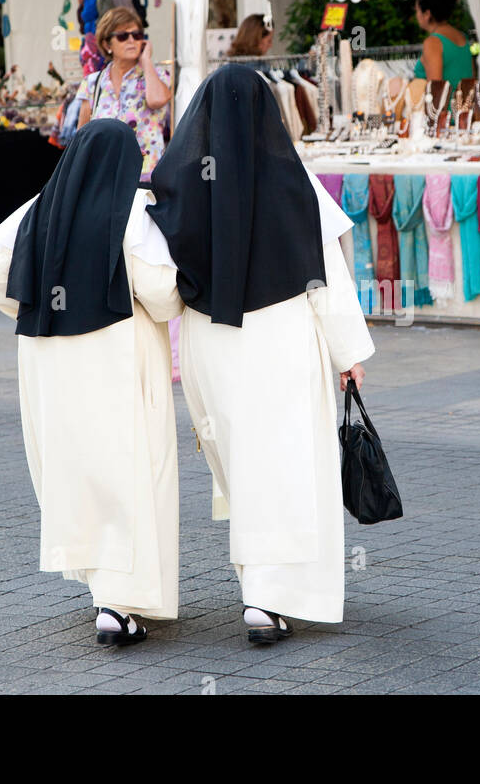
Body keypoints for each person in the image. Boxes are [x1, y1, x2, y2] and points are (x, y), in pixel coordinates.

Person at [147, 64, 375, 643]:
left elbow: (162, 277)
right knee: (288, 462)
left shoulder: (178, 183)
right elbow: (330, 279)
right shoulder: (290, 182)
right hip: (283, 341)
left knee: (242, 462)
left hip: (211, 344)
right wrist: (347, 352)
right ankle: (270, 596)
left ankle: (257, 584)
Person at [0, 119, 184, 646]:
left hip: (49, 363)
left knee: (77, 474)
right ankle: (121, 604)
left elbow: (1, 285)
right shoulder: (134, 217)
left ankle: (103, 592)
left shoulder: (36, 210)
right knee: (132, 475)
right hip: (116, 361)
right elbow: (164, 296)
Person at [75, 6, 172, 176]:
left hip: (148, 178)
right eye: (122, 36)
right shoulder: (92, 83)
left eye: (137, 35)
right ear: (107, 44)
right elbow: (82, 138)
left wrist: (146, 60)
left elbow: (157, 100)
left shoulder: (157, 76)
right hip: (105, 178)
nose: (131, 40)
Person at [413, 0, 475, 90]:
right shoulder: (462, 37)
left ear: (427, 14)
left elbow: (436, 91)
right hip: (463, 105)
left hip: (445, 105)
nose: (416, 15)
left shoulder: (433, 42)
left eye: (417, 10)